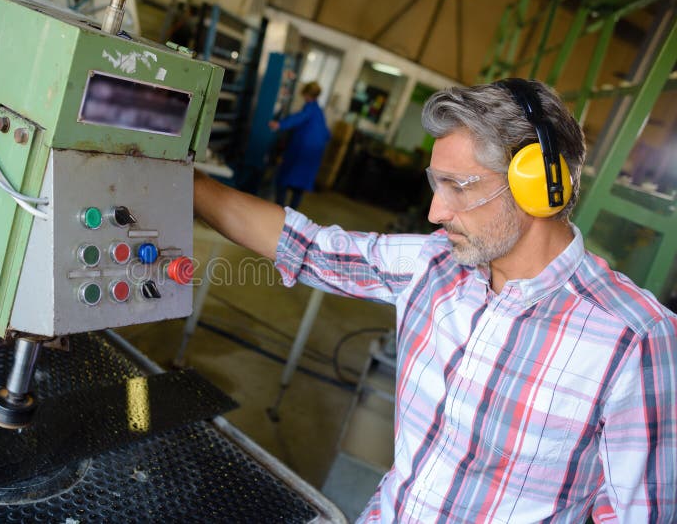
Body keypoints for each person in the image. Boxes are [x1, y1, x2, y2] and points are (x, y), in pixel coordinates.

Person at [193, 79, 677, 522]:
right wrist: (177, 178)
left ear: (538, 184)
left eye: (458, 187)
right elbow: (309, 247)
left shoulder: (633, 339)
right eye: (435, 183)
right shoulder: (434, 267)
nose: (435, 211)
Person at [267, 81, 331, 209]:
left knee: (283, 180)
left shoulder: (309, 108)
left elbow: (299, 118)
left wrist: (280, 124)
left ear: (307, 94)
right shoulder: (319, 111)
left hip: (301, 151)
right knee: (299, 187)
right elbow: (327, 134)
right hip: (314, 154)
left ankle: (280, 211)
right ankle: (292, 216)